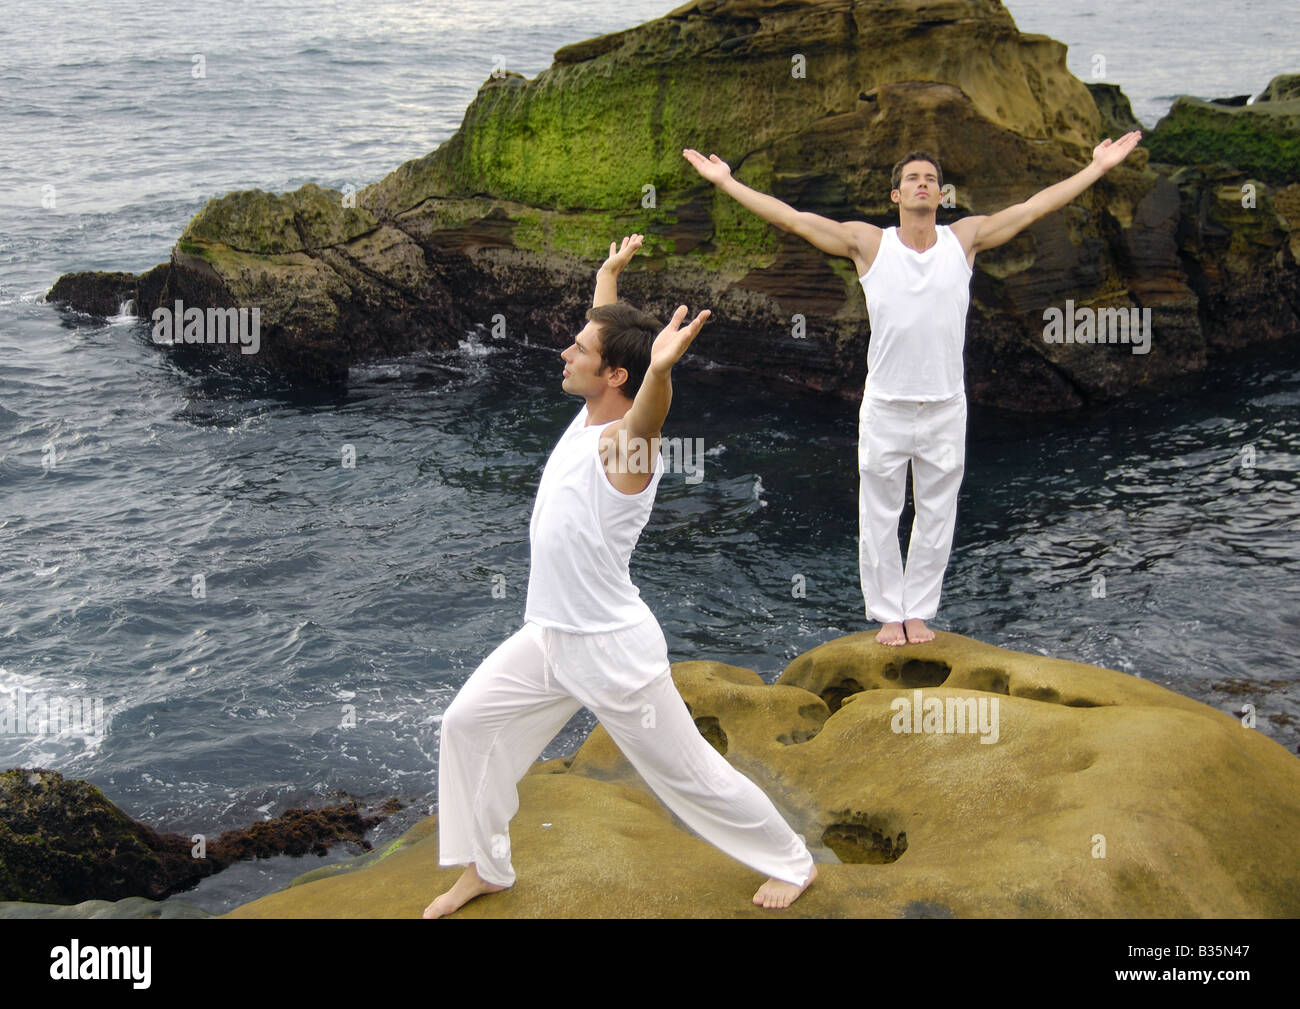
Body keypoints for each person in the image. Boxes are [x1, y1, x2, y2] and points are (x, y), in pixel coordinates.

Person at [424, 234, 818, 917]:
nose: (565, 353)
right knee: (465, 725)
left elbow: (645, 409)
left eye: (578, 351)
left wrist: (661, 373)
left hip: (611, 650)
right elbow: (610, 342)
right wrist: (607, 279)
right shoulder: (588, 414)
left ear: (614, 377)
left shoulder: (624, 447)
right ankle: (485, 867)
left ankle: (793, 859)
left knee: (689, 774)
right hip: (550, 636)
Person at [683, 134, 1143, 645]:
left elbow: (1033, 209)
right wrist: (727, 183)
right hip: (886, 406)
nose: (922, 185)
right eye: (912, 179)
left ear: (942, 195)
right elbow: (793, 219)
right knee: (879, 513)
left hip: (946, 404)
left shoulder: (963, 239)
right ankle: (886, 614)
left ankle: (919, 611)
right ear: (895, 196)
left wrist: (1096, 168)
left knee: (937, 512)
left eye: (931, 180)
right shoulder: (869, 243)